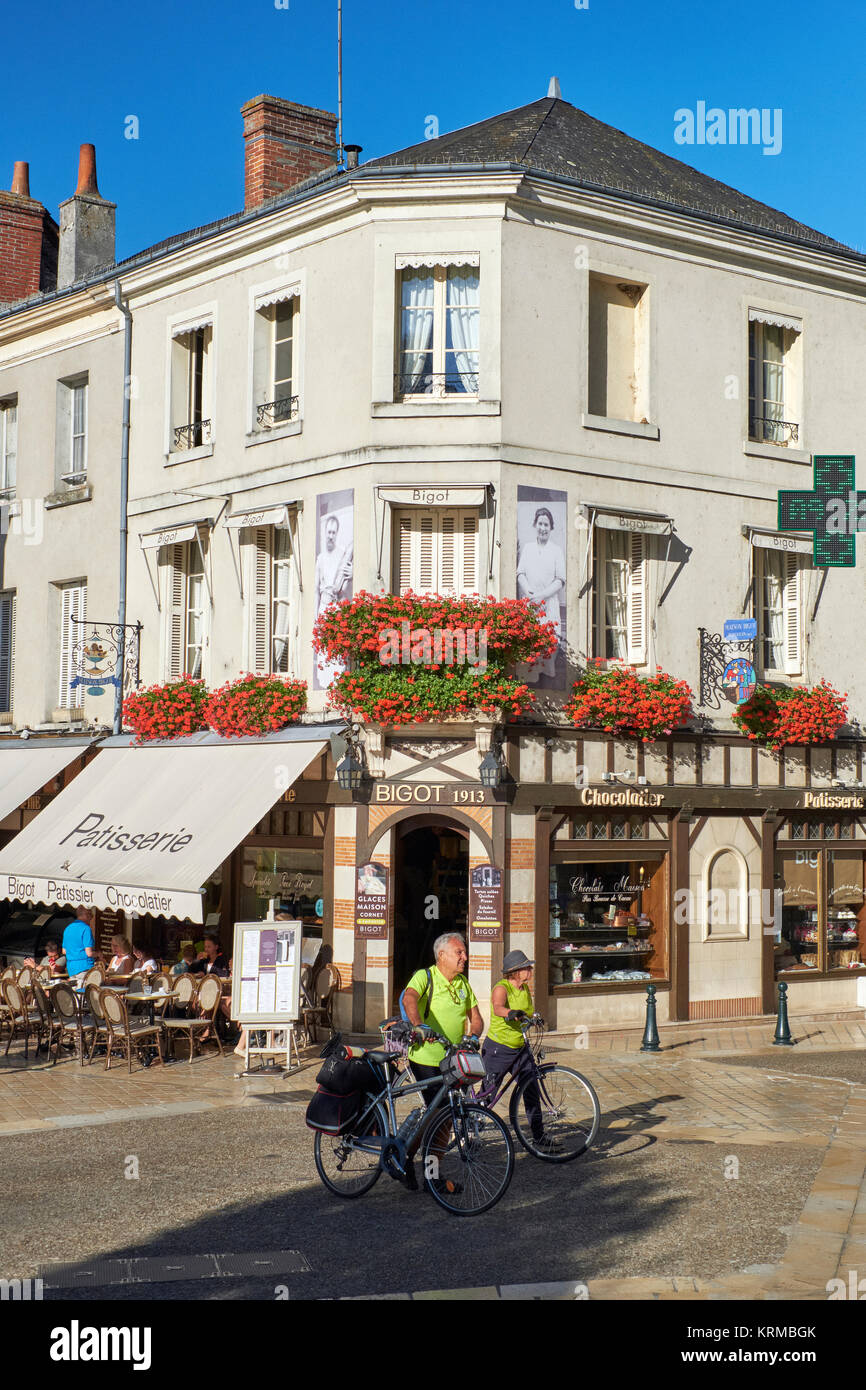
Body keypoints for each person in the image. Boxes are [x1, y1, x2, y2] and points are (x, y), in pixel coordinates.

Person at [401, 932, 484, 1190]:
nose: (465, 957)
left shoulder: (463, 984)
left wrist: (473, 1036)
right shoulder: (426, 977)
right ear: (442, 955)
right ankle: (428, 1174)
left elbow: (477, 1018)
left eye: (464, 952)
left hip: (453, 1061)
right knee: (438, 1115)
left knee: (445, 1119)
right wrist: (419, 1026)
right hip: (425, 1058)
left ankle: (413, 1160)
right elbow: (409, 998)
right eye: (459, 952)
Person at [481, 950, 551, 1149]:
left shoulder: (525, 989)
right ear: (515, 971)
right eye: (526, 967)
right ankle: (470, 1131)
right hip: (499, 1048)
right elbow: (497, 1007)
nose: (530, 969)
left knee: (531, 1090)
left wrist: (533, 1018)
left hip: (520, 1047)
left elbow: (527, 1013)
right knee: (488, 1092)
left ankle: (538, 1135)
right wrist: (510, 1013)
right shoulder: (501, 988)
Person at [516, 506, 565, 683]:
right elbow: (520, 573)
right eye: (540, 523)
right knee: (530, 642)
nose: (543, 528)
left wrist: (542, 596)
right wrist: (530, 594)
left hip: (548, 603)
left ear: (551, 527)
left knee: (549, 642)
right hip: (530, 603)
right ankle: (530, 677)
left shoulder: (556, 551)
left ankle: (548, 678)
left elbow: (560, 580)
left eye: (546, 524)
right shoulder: (528, 548)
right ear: (535, 525)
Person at [62, 909, 97, 985]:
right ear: (86, 914)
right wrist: (98, 954)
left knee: (75, 993)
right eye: (90, 915)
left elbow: (64, 951)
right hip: (84, 966)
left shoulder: (68, 928)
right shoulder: (86, 928)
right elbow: (89, 953)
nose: (91, 918)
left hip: (71, 968)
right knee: (84, 993)